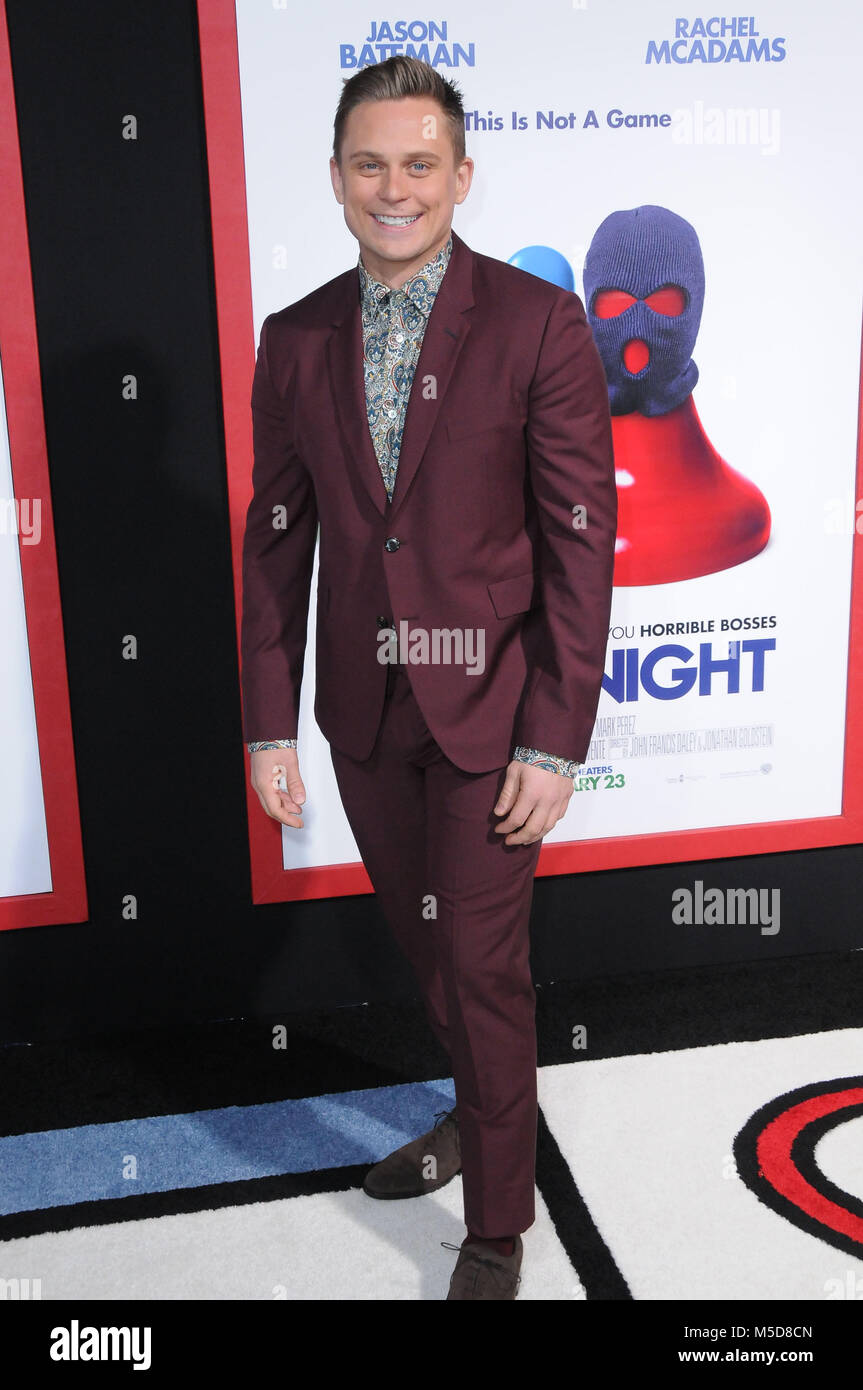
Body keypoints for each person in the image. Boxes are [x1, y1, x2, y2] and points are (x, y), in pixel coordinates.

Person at [240, 55, 616, 1300]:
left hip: (493, 712)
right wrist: (266, 724)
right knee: (425, 944)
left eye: (417, 164)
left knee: (484, 963)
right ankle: (472, 1115)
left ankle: (498, 1224)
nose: (391, 189)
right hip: (363, 712)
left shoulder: (535, 323)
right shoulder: (293, 338)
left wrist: (553, 740)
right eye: (368, 164)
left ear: (460, 176)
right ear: (337, 178)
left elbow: (575, 541)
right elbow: (278, 541)